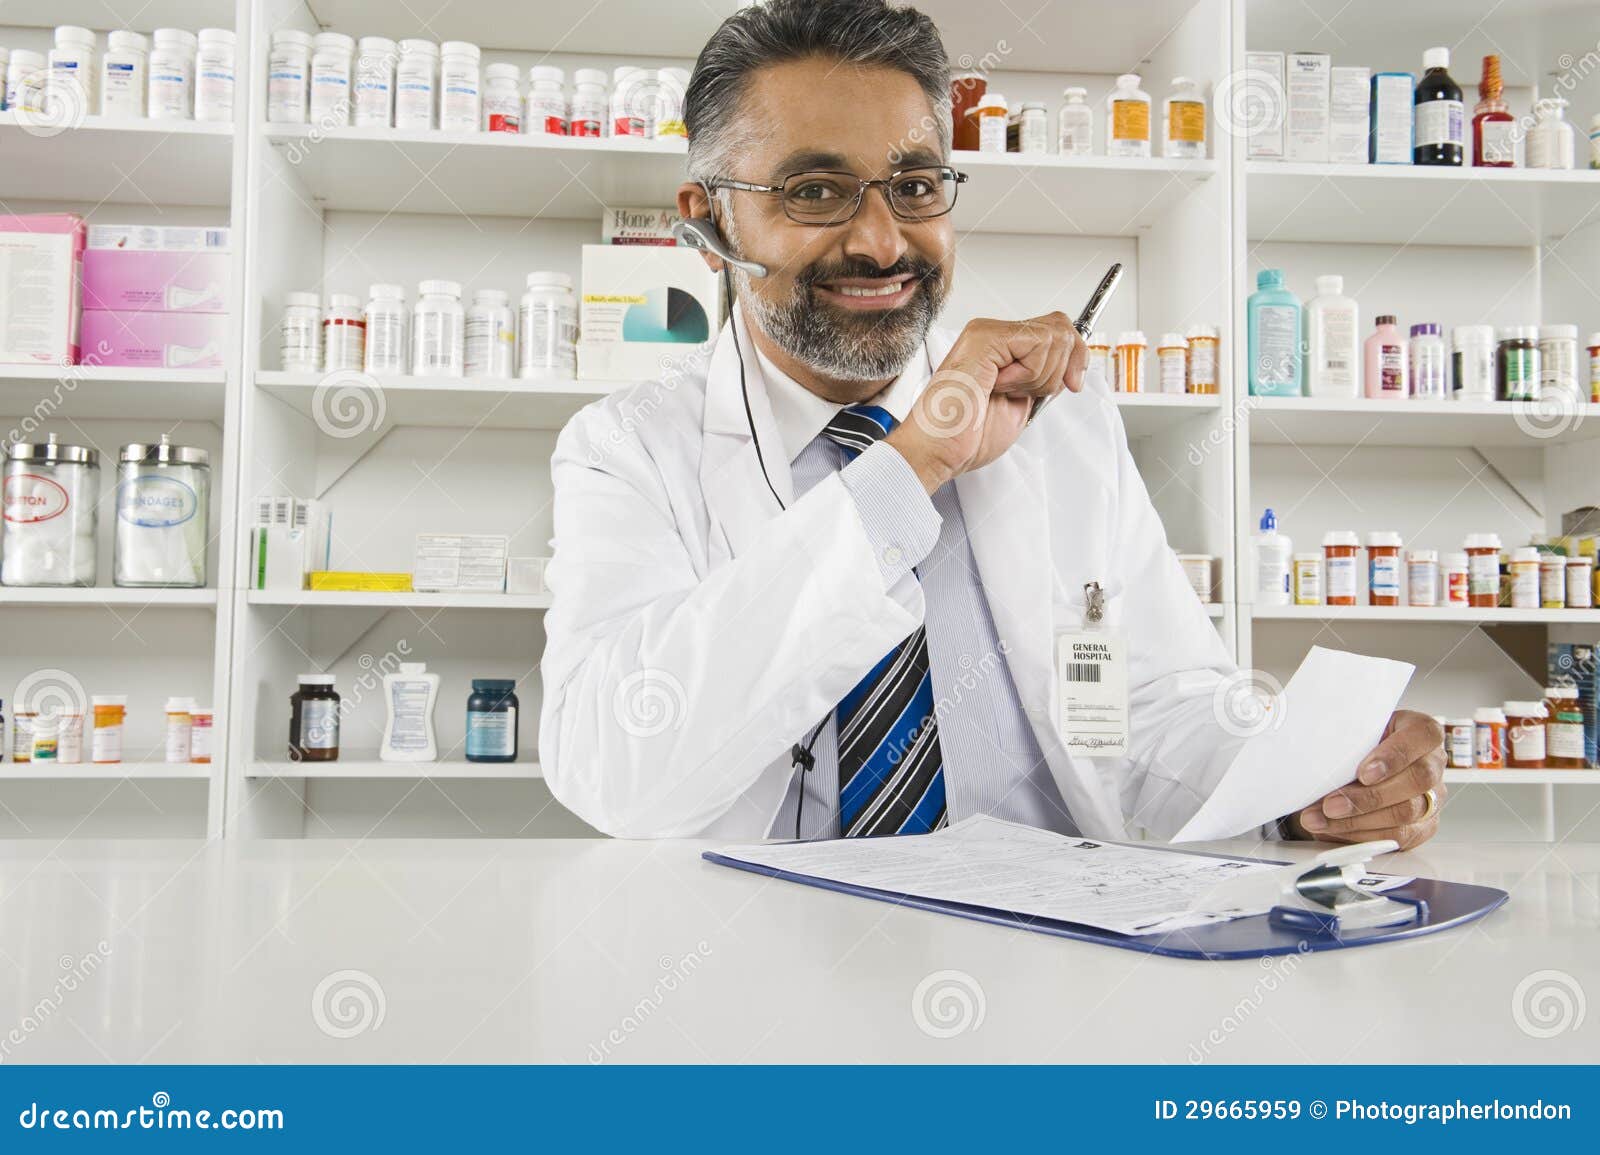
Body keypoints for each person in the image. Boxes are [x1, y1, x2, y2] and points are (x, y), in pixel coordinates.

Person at [538, 0, 1444, 845]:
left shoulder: (1060, 422)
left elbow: (1160, 706)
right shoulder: (627, 447)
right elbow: (615, 770)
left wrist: (1305, 783)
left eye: (915, 185)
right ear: (707, 221)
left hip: (1048, 935)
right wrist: (909, 467)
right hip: (765, 939)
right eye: (813, 191)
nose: (882, 243)